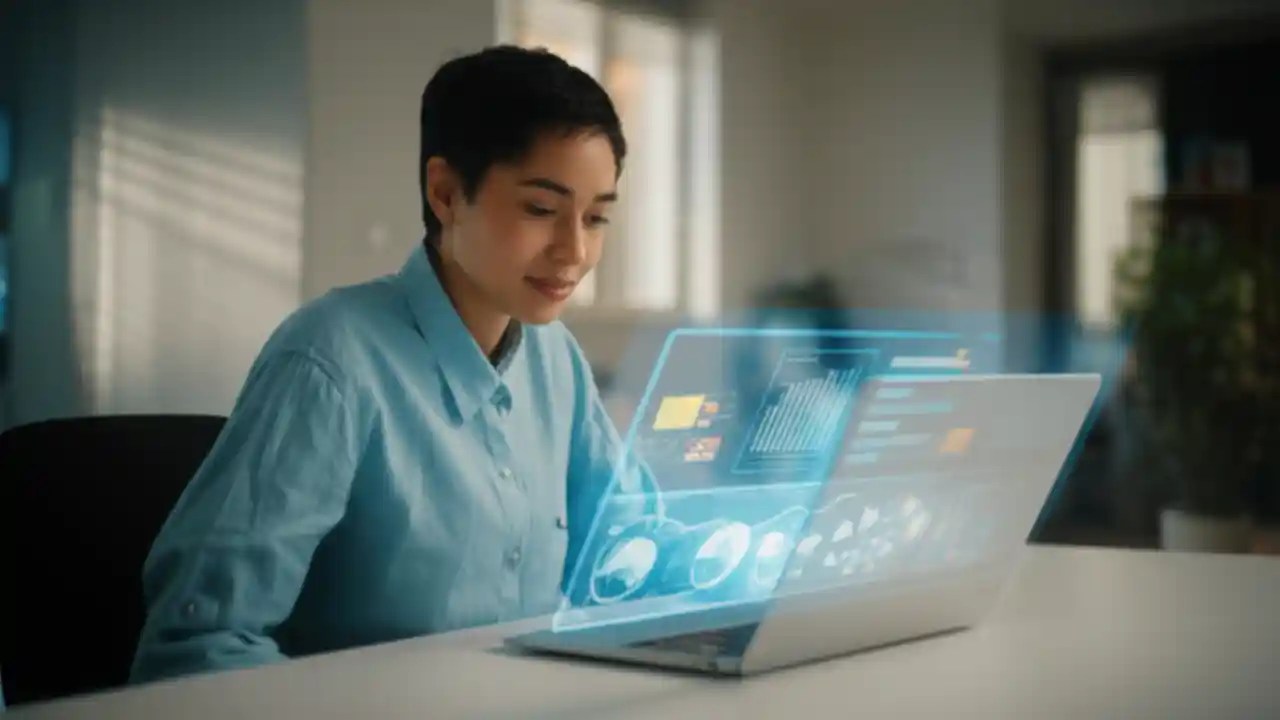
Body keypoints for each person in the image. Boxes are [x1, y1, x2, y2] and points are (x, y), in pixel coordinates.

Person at [130, 45, 660, 683]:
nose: (574, 251)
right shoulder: (331, 361)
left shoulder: (555, 358)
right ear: (445, 193)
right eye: (541, 210)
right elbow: (198, 644)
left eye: (597, 217)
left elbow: (631, 551)